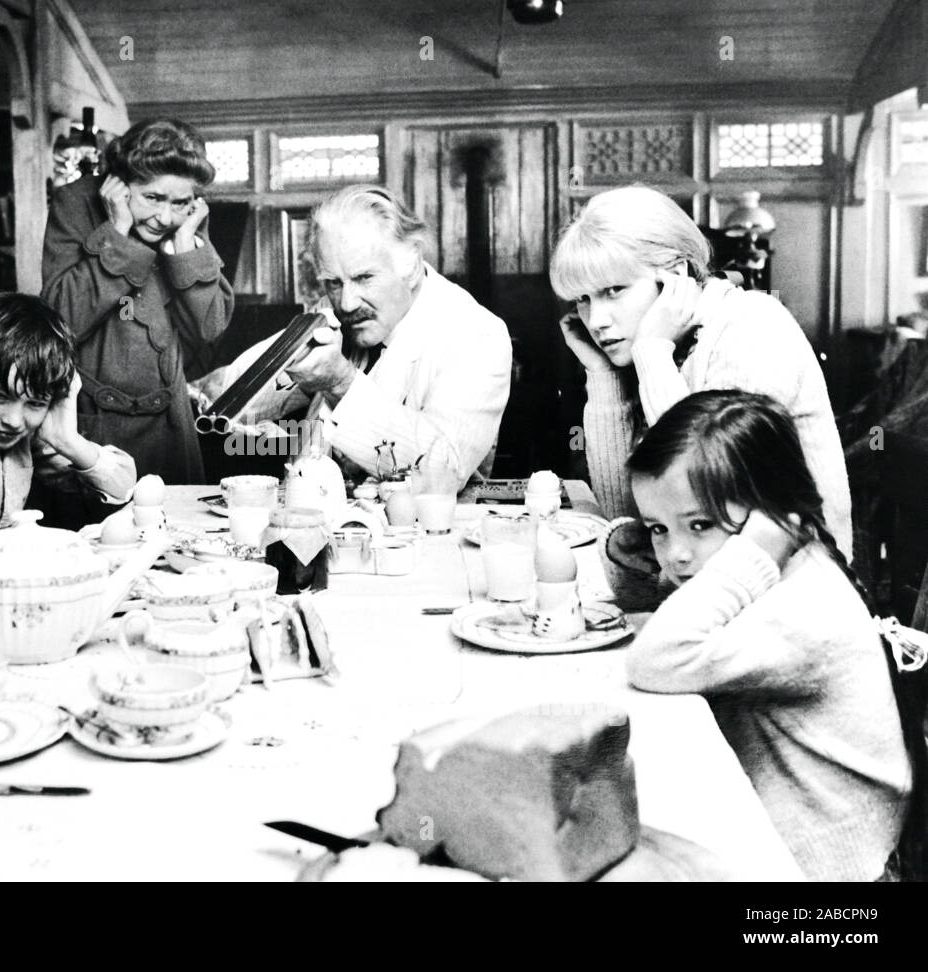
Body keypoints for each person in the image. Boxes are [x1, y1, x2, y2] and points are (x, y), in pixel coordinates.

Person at [624, 390, 913, 881]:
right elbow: (678, 606)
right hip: (797, 830)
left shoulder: (801, 610)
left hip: (833, 870)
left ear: (773, 519)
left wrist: (753, 549)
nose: (675, 555)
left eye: (699, 524)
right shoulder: (783, 566)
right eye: (657, 529)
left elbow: (656, 659)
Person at [549, 185, 853, 559]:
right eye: (583, 299)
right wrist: (604, 376)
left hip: (791, 592)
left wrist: (652, 352)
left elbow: (708, 500)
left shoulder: (751, 325)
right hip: (710, 584)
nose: (596, 320)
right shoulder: (664, 343)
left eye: (614, 290)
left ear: (676, 276)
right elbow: (636, 525)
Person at [194, 184, 512, 484]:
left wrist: (340, 384)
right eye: (333, 282)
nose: (347, 302)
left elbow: (443, 471)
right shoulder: (335, 311)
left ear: (412, 265)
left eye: (364, 278)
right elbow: (232, 390)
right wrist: (191, 398)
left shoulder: (476, 334)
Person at [40, 118, 233, 486]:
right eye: (153, 198)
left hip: (173, 431)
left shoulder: (185, 218)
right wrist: (117, 234)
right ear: (120, 183)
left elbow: (211, 327)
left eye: (180, 203)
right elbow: (60, 321)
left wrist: (186, 242)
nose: (165, 218)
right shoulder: (74, 204)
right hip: (94, 428)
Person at [0, 292, 135, 537]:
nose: (13, 420)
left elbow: (123, 487)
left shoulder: (24, 437)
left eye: (35, 403)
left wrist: (67, 439)